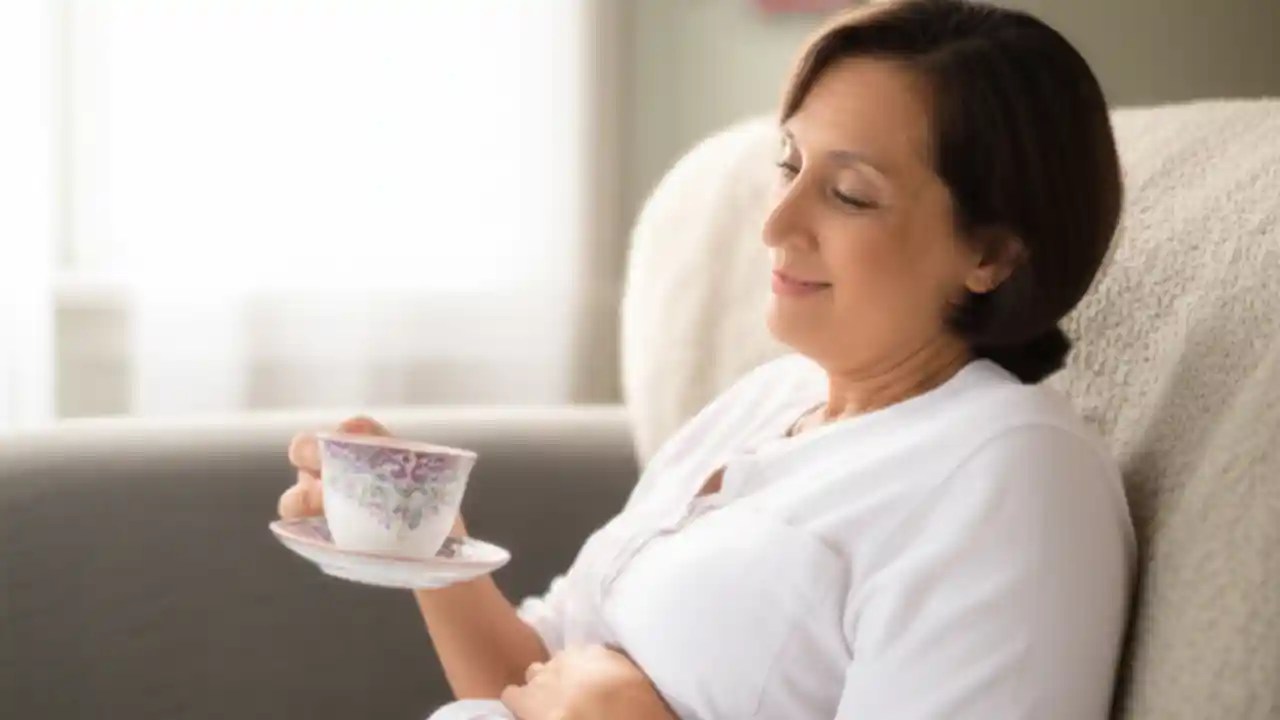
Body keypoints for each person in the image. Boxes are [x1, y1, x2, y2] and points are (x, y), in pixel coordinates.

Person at [279, 1, 1134, 717]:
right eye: (789, 165)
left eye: (848, 194)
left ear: (995, 253)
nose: (775, 225)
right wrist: (429, 546)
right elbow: (533, 684)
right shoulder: (768, 403)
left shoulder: (1015, 476)